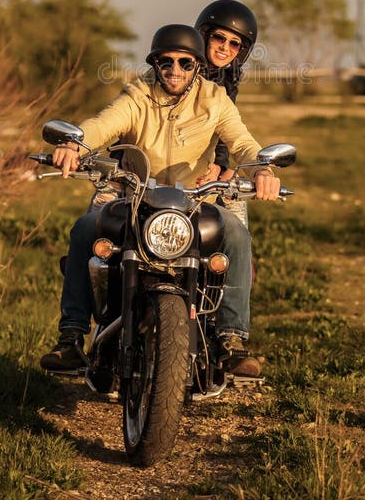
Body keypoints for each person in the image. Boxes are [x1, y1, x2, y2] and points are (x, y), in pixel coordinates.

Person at [40, 24, 280, 378]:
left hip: (195, 203)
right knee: (85, 229)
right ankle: (72, 337)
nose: (175, 71)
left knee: (237, 236)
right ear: (155, 63)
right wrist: (76, 144)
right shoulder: (138, 95)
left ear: (197, 65)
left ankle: (231, 339)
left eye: (185, 63)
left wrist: (262, 168)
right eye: (165, 62)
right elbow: (104, 124)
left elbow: (242, 142)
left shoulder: (216, 100)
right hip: (136, 198)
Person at [194, 0, 258, 190]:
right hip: (155, 160)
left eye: (234, 43)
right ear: (204, 36)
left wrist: (220, 166)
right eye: (219, 38)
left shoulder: (227, 80)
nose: (225, 47)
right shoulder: (180, 68)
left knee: (231, 197)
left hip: (200, 163)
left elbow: (225, 129)